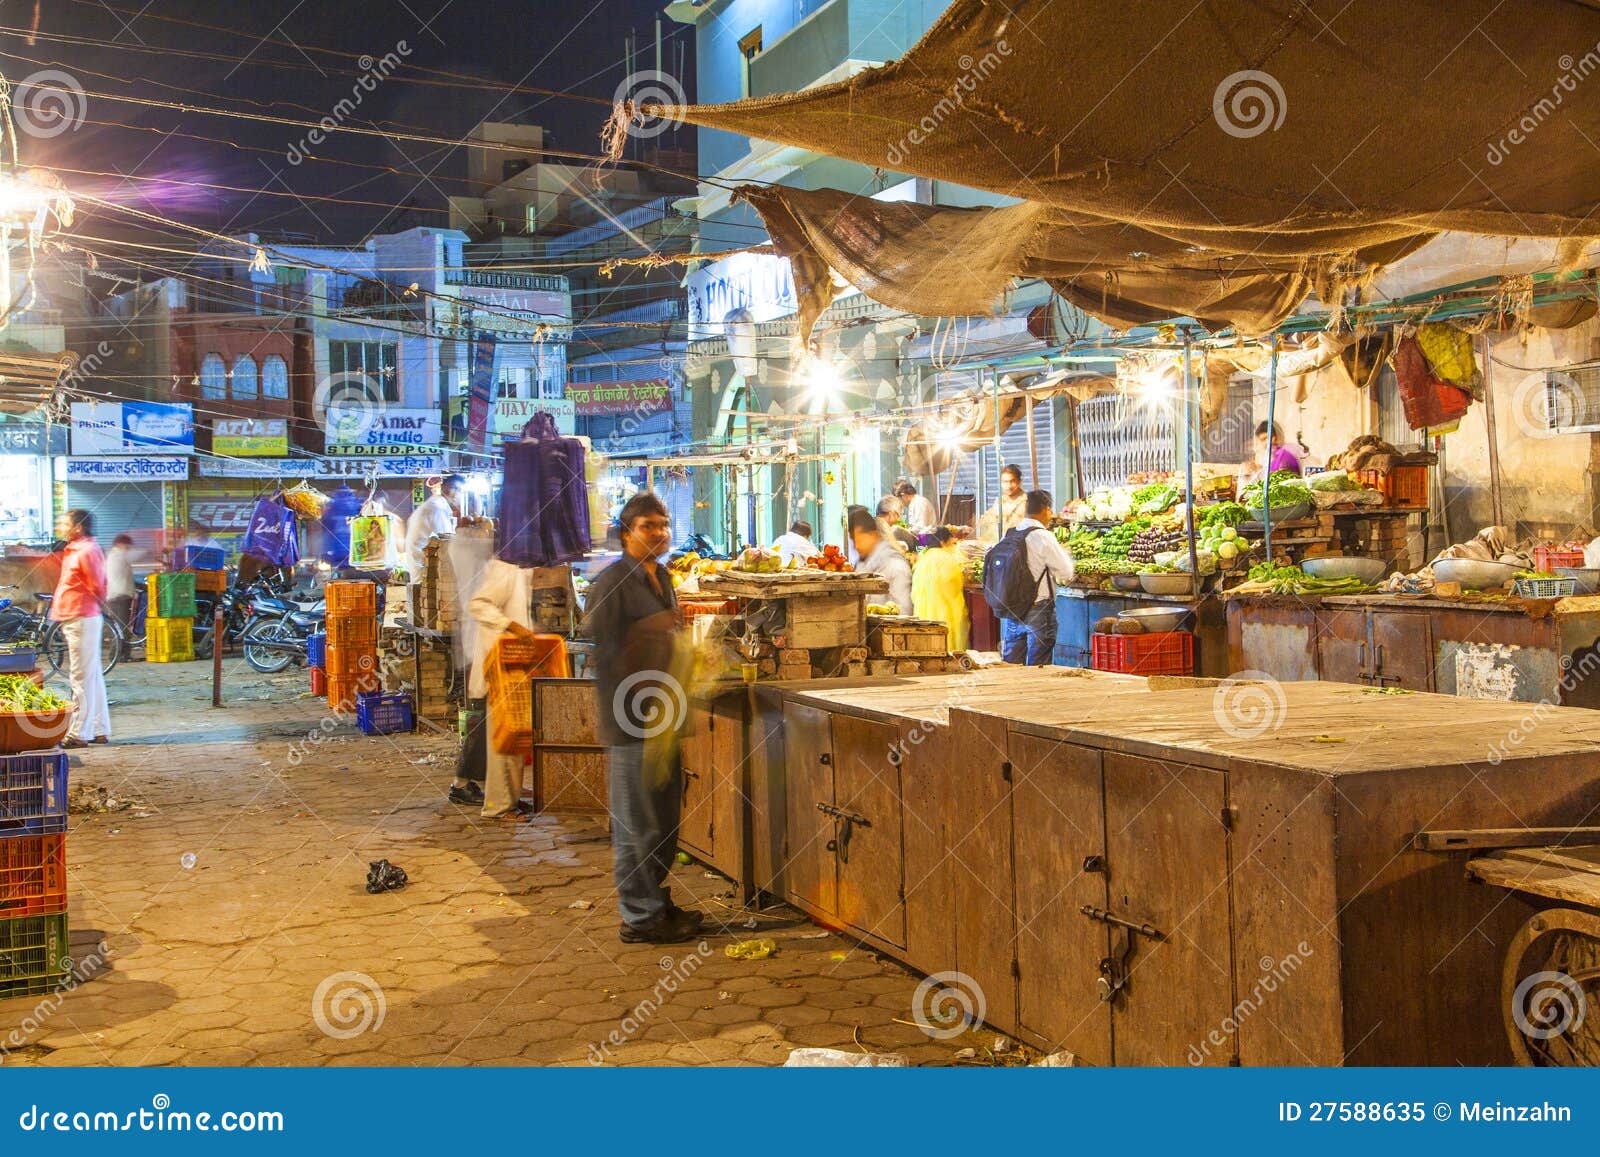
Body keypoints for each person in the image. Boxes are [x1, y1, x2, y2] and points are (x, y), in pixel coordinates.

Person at [583, 493, 702, 944]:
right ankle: (639, 917)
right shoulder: (612, 582)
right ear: (626, 533)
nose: (658, 532)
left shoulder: (664, 577)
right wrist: (648, 631)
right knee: (635, 824)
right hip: (629, 716)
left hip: (666, 716)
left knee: (663, 821)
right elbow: (600, 643)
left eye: (663, 523)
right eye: (647, 525)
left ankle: (655, 900)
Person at [996, 490, 1075, 666]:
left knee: (1011, 665)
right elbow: (1066, 572)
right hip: (1038, 609)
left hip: (1012, 609)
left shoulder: (1009, 534)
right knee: (1039, 666)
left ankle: (1012, 693)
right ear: (1046, 509)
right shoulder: (1043, 536)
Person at [53, 509, 110, 748]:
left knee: (81, 677)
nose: (59, 526)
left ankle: (79, 732)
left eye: (64, 523)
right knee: (91, 675)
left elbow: (99, 585)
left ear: (78, 527)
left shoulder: (87, 551)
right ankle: (99, 728)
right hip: (76, 617)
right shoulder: (76, 550)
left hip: (82, 617)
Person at [406, 474, 462, 620]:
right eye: (461, 491)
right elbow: (446, 543)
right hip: (426, 579)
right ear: (450, 490)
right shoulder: (436, 509)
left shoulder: (434, 506)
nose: (461, 496)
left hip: (421, 574)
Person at [912, 527, 970, 651]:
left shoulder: (923, 558)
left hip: (923, 611)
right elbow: (953, 585)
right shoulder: (948, 559)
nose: (953, 544)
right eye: (951, 541)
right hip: (945, 613)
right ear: (943, 542)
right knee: (948, 645)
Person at [849, 505, 914, 615]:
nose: (856, 546)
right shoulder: (861, 565)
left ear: (873, 535)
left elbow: (903, 613)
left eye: (859, 540)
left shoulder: (895, 566)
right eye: (853, 541)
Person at [977, 463, 1029, 540]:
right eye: (1005, 482)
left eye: (1012, 481)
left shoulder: (1027, 502)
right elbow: (988, 520)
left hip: (1019, 545)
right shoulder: (999, 501)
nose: (1009, 485)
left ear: (1019, 482)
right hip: (999, 544)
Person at [105, 534, 136, 660]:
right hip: (118, 596)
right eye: (127, 545)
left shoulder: (118, 556)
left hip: (121, 595)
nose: (129, 548)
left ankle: (124, 654)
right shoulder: (117, 556)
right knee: (120, 627)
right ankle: (115, 655)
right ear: (120, 544)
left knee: (122, 627)